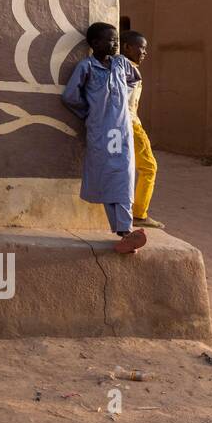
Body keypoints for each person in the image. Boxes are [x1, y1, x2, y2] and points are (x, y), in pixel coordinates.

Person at [62, 22, 147, 253]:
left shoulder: (120, 63)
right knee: (110, 175)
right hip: (101, 131)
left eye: (116, 39)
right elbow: (70, 96)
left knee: (124, 174)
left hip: (121, 130)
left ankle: (125, 229)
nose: (116, 43)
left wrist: (123, 105)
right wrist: (90, 112)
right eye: (111, 40)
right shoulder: (86, 67)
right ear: (96, 43)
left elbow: (134, 79)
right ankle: (123, 230)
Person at [122, 31, 163, 229]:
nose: (144, 52)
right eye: (141, 47)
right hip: (131, 124)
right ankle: (139, 213)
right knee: (149, 167)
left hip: (124, 124)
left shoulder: (124, 67)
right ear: (127, 47)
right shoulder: (127, 69)